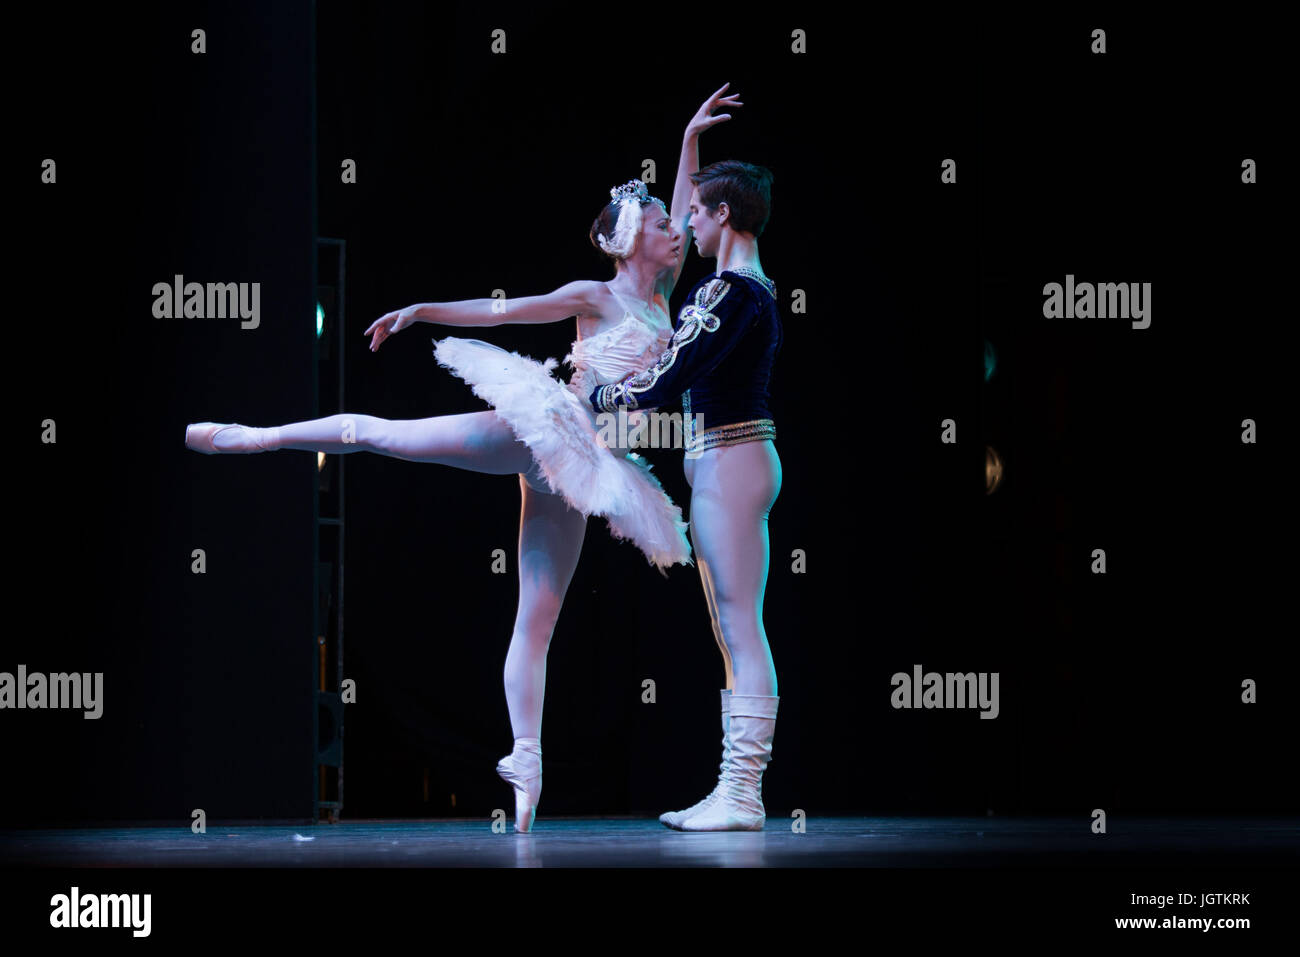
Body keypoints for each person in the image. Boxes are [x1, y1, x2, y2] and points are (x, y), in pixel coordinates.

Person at [183, 173, 703, 832]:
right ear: (632, 241)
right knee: (387, 436)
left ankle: (527, 761)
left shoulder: (661, 297)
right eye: (662, 225)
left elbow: (680, 207)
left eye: (673, 224)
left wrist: (691, 137)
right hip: (550, 427)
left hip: (586, 468)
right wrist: (423, 309)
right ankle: (258, 436)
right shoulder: (595, 295)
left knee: (537, 620)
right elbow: (503, 311)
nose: (677, 231)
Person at [589, 100, 783, 830]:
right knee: (731, 627)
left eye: (697, 214)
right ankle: (735, 787)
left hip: (732, 457)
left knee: (740, 626)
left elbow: (670, 376)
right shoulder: (742, 287)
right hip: (728, 456)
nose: (685, 226)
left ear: (724, 215)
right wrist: (688, 142)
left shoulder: (730, 292)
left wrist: (598, 395)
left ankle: (742, 790)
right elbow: (680, 369)